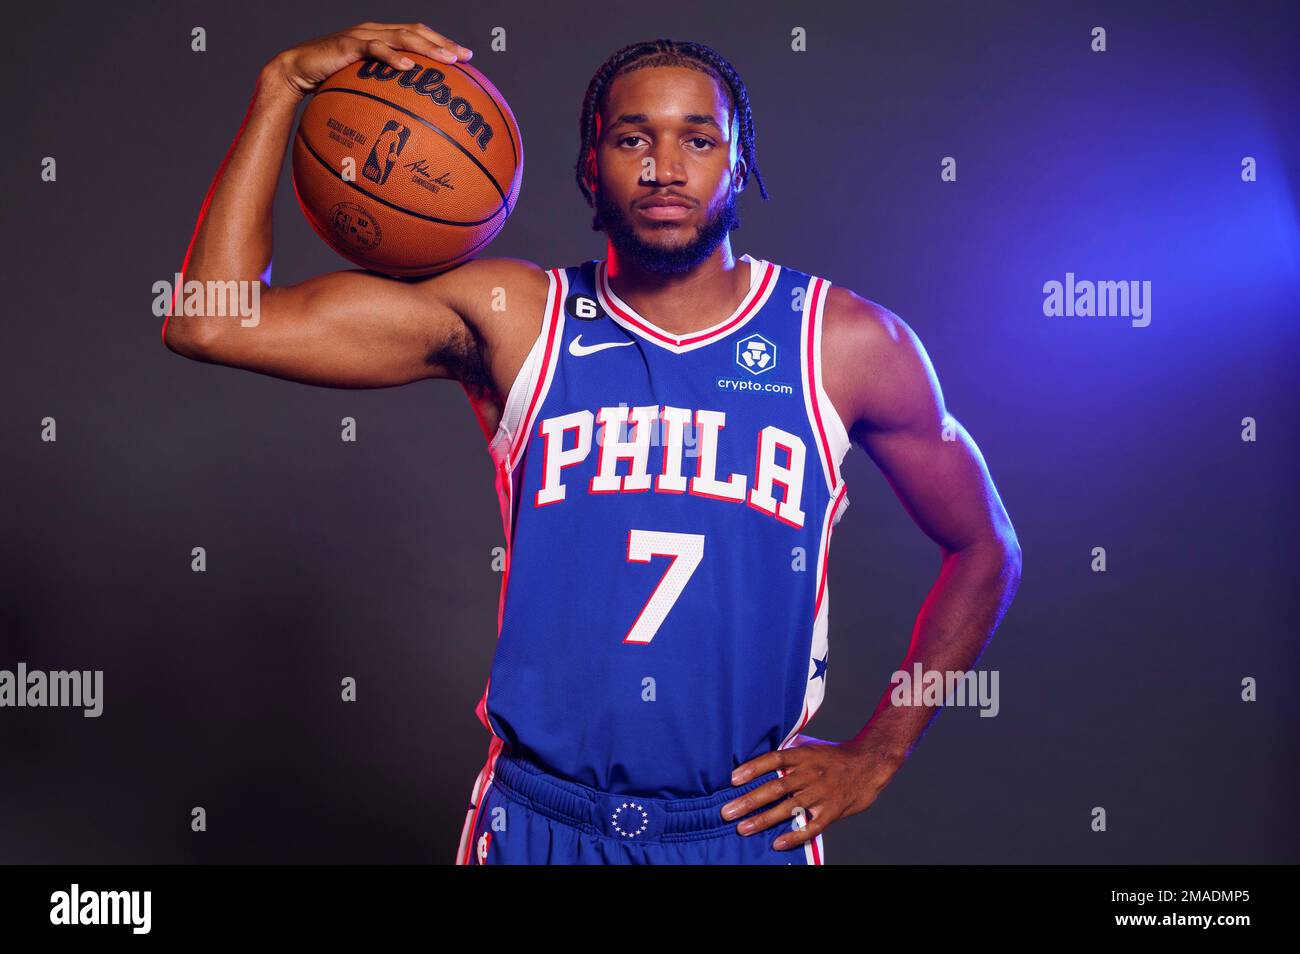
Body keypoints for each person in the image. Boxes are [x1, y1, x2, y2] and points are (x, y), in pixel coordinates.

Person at [163, 22, 1022, 865]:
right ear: (588, 165)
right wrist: (283, 87)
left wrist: (880, 751)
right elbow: (208, 324)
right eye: (631, 138)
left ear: (740, 163)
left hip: (742, 830)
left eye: (698, 138)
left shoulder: (843, 344)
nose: (664, 166)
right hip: (541, 818)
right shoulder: (517, 321)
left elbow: (985, 546)